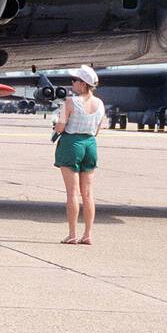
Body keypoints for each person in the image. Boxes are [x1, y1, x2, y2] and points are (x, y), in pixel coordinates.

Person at [55, 65, 104, 245]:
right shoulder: (100, 103)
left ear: (83, 84)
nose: (72, 83)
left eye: (75, 80)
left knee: (72, 192)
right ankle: (88, 234)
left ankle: (72, 234)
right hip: (90, 144)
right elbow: (98, 130)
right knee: (88, 193)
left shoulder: (70, 102)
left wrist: (56, 127)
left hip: (71, 144)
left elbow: (60, 126)